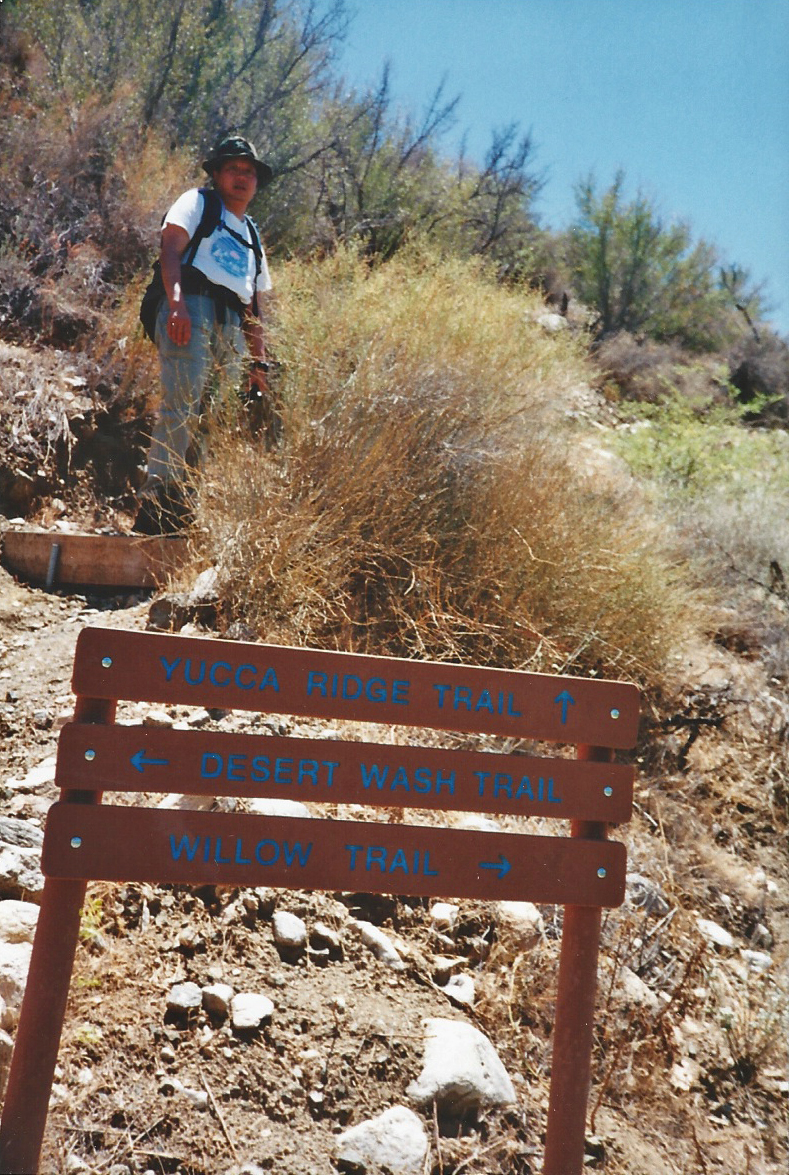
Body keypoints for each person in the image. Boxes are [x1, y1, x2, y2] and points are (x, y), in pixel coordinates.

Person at [134, 135, 274, 534]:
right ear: (216, 173)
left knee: (210, 416)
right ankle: (154, 504)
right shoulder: (198, 203)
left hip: (230, 321)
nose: (242, 177)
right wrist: (176, 304)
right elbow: (171, 250)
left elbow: (253, 305)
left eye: (249, 171)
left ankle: (182, 508)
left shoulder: (251, 234)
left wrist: (258, 361)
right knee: (183, 404)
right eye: (233, 168)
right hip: (191, 308)